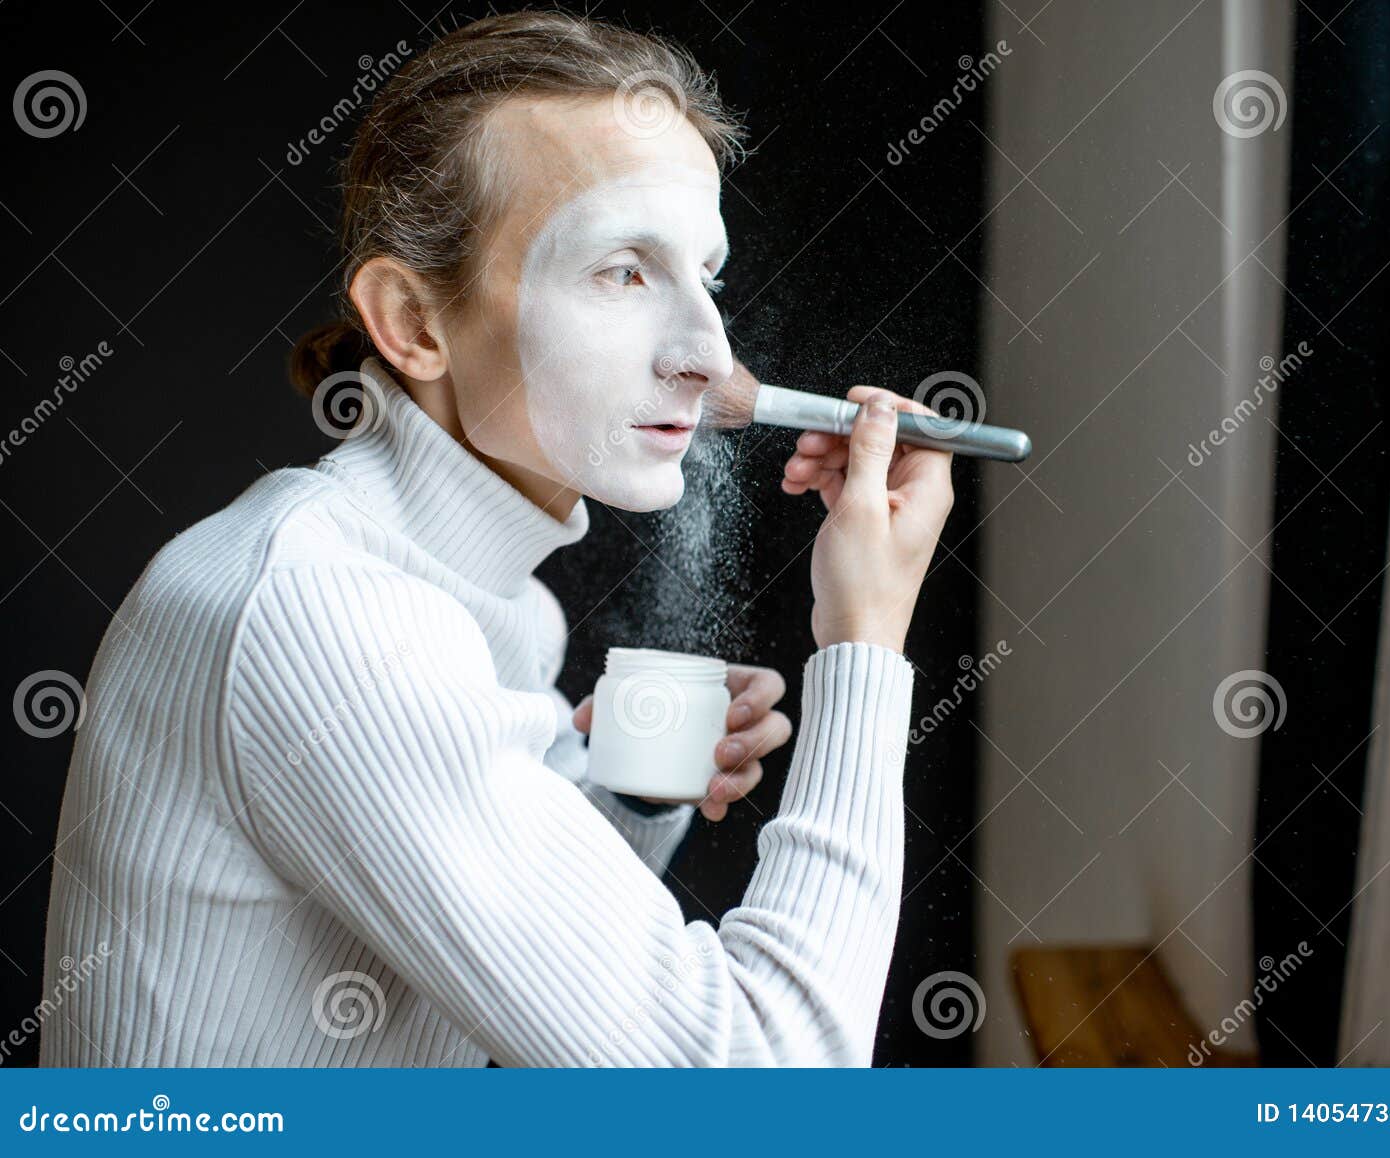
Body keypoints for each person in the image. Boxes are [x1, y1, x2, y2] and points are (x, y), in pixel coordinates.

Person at [41, 10, 953, 1067]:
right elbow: (764, 1085)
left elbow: (507, 974)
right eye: (620, 270)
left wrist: (635, 783)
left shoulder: (499, 606)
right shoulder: (328, 614)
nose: (707, 353)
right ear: (414, 322)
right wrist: (865, 644)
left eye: (704, 275)